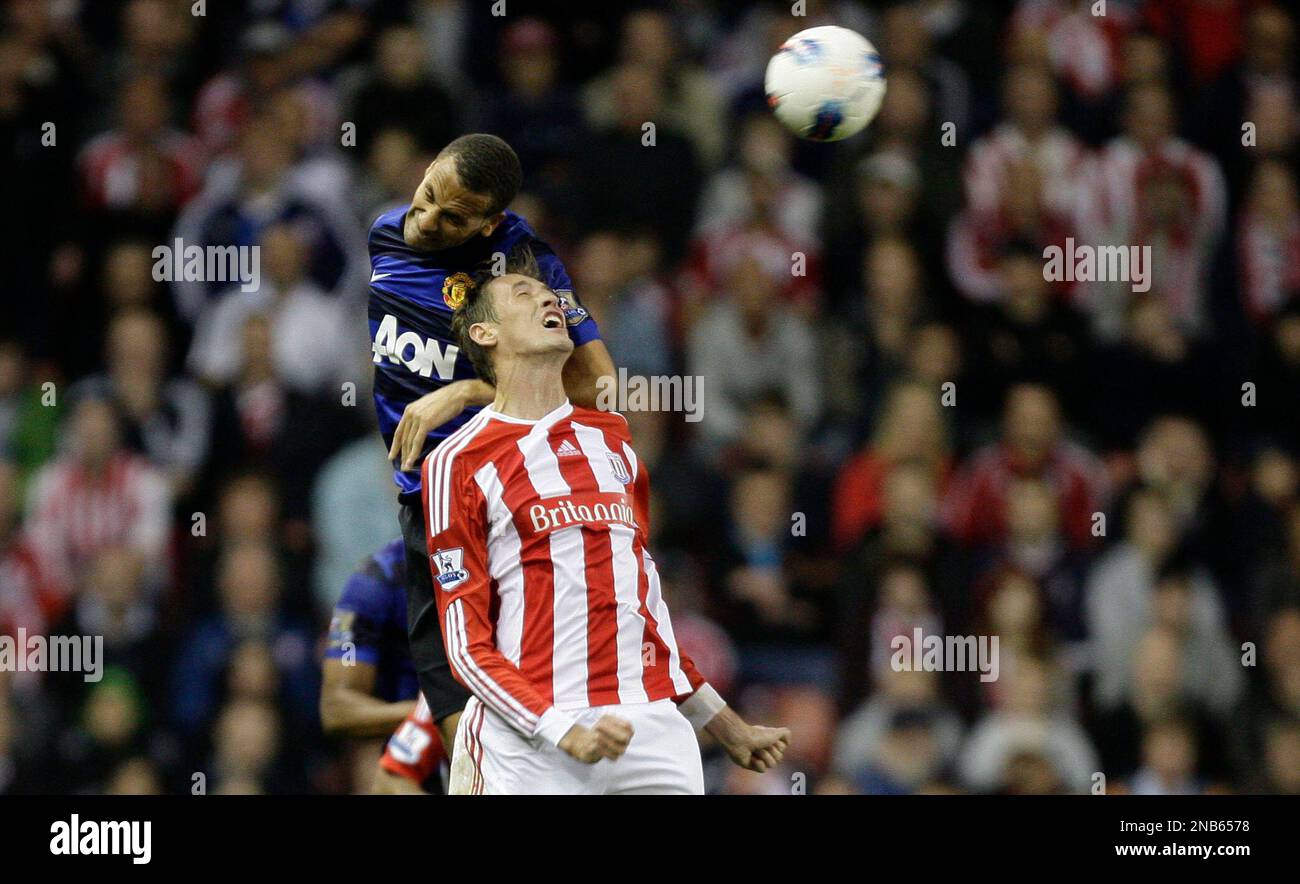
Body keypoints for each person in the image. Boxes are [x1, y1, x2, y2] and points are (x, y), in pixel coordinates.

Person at [421, 247, 789, 794]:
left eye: (550, 294)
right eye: (522, 294)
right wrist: (557, 728)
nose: (547, 297)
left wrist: (725, 725)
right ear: (485, 336)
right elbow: (465, 646)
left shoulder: (611, 439)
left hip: (651, 729)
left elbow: (643, 605)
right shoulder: (458, 461)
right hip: (530, 737)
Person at [367, 134, 615, 752]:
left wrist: (468, 392)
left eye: (452, 218)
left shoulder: (522, 263)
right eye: (426, 198)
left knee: (509, 681)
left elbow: (600, 387)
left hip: (502, 498)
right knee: (451, 692)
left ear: (489, 222)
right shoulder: (385, 233)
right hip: (425, 499)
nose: (426, 223)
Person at [319, 539, 444, 794]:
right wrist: (432, 716)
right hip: (419, 764)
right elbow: (337, 707)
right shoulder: (377, 579)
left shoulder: (515, 563)